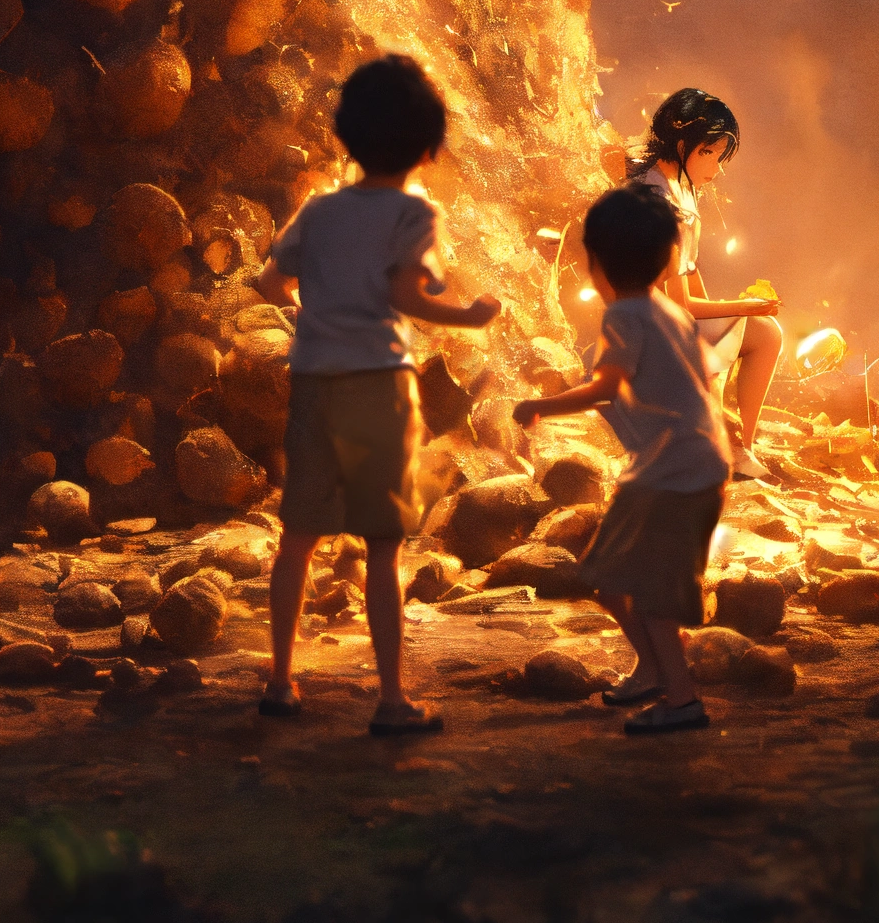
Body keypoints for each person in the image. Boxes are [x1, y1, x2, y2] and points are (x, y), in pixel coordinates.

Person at [252, 53, 500, 735]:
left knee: (298, 538)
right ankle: (391, 700)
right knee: (384, 545)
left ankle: (280, 683)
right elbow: (405, 294)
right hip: (377, 385)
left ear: (348, 135)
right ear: (427, 146)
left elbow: (271, 282)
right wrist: (470, 315)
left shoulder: (319, 211)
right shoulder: (414, 212)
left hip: (314, 382)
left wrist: (314, 313)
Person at [513, 178, 732, 735]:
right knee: (607, 577)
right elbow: (692, 384)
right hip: (685, 466)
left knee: (651, 594)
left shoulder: (625, 316)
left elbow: (607, 387)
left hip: (674, 471)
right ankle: (654, 670)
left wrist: (540, 405)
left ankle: (682, 700)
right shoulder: (671, 313)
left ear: (599, 263)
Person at [630, 87, 783, 479]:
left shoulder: (682, 189)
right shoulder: (656, 202)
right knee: (738, 331)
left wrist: (732, 316)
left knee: (765, 333)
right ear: (682, 146)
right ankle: (714, 451)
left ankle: (742, 445)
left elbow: (689, 269)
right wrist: (743, 308)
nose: (717, 167)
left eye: (720, 156)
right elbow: (680, 305)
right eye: (709, 153)